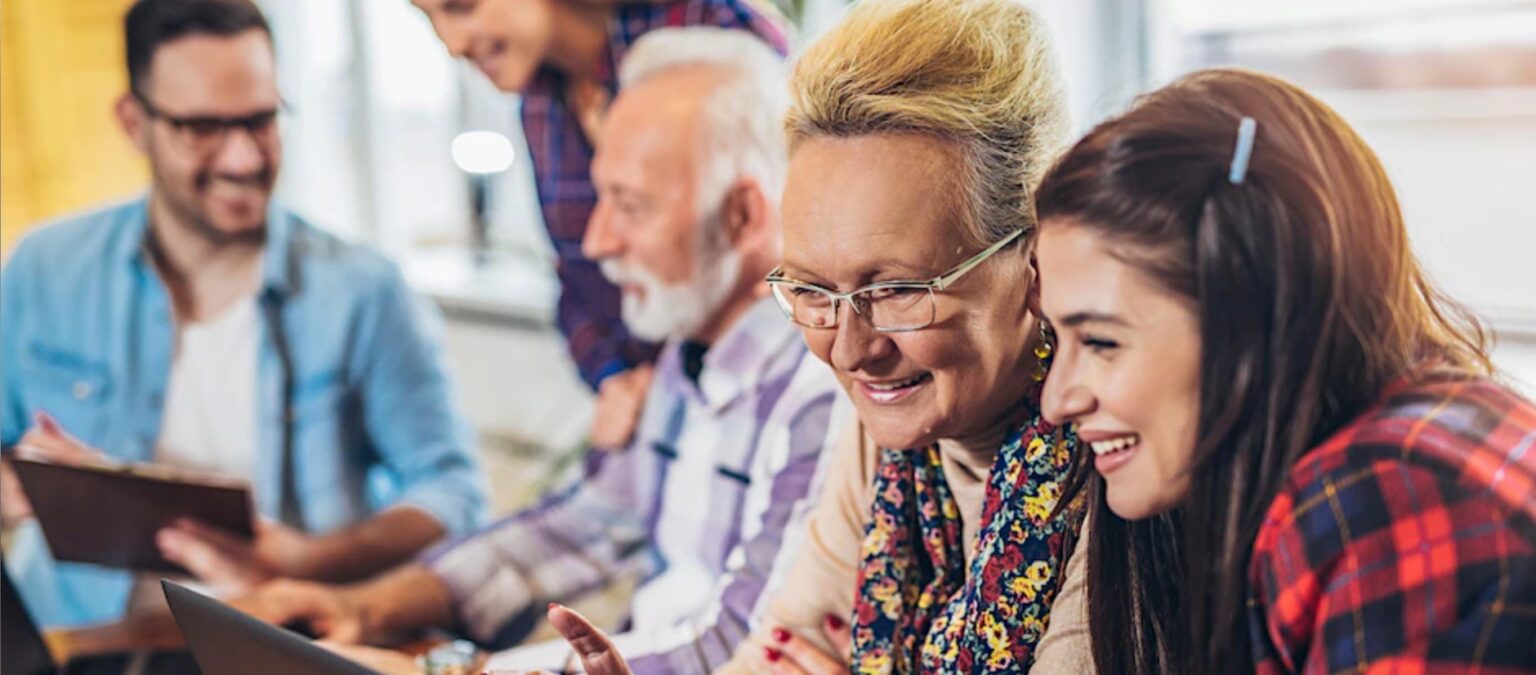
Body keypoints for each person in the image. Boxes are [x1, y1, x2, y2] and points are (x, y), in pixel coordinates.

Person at [236, 27, 842, 674]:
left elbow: (735, 649)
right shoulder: (684, 357)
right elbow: (577, 528)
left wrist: (442, 670)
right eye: (599, 197)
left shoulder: (822, 398)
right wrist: (362, 606)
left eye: (629, 205)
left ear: (745, 216)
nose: (599, 242)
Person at [543, 1, 1096, 673]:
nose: (847, 350)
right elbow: (776, 650)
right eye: (810, 290)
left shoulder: (1117, 462)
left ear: (1037, 256)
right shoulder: (885, 432)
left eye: (895, 290)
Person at [0, 0, 486, 629]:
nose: (243, 159)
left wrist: (310, 561)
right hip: (84, 638)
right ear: (134, 123)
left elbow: (455, 492)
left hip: (284, 640)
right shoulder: (44, 269)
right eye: (202, 128)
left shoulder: (364, 290)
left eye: (261, 120)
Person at [1034, 68, 1536, 674]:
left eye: (1101, 341)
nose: (1056, 401)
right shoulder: (1410, 444)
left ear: (1251, 316)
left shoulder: (1385, 493)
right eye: (1055, 337)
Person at [411, 0, 789, 449]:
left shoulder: (711, 30)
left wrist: (683, 380)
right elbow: (575, 278)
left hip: (750, 403)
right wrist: (616, 378)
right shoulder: (540, 103)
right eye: (428, 18)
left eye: (461, 7)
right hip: (645, 416)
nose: (452, 45)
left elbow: (794, 247)